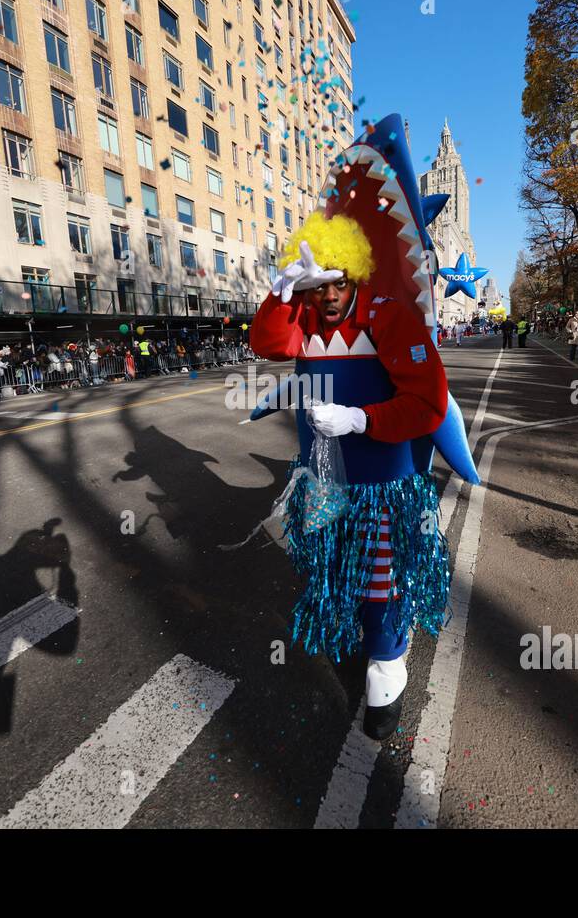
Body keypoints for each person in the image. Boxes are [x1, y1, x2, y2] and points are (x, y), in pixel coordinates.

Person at [247, 115, 478, 741]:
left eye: (333, 282)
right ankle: (361, 636)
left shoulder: (391, 318)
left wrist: (360, 419)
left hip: (384, 481)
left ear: (356, 273)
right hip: (323, 478)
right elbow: (267, 343)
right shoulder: (306, 318)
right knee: (328, 568)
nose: (323, 296)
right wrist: (277, 293)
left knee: (381, 577)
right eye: (314, 284)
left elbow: (429, 406)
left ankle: (387, 661)